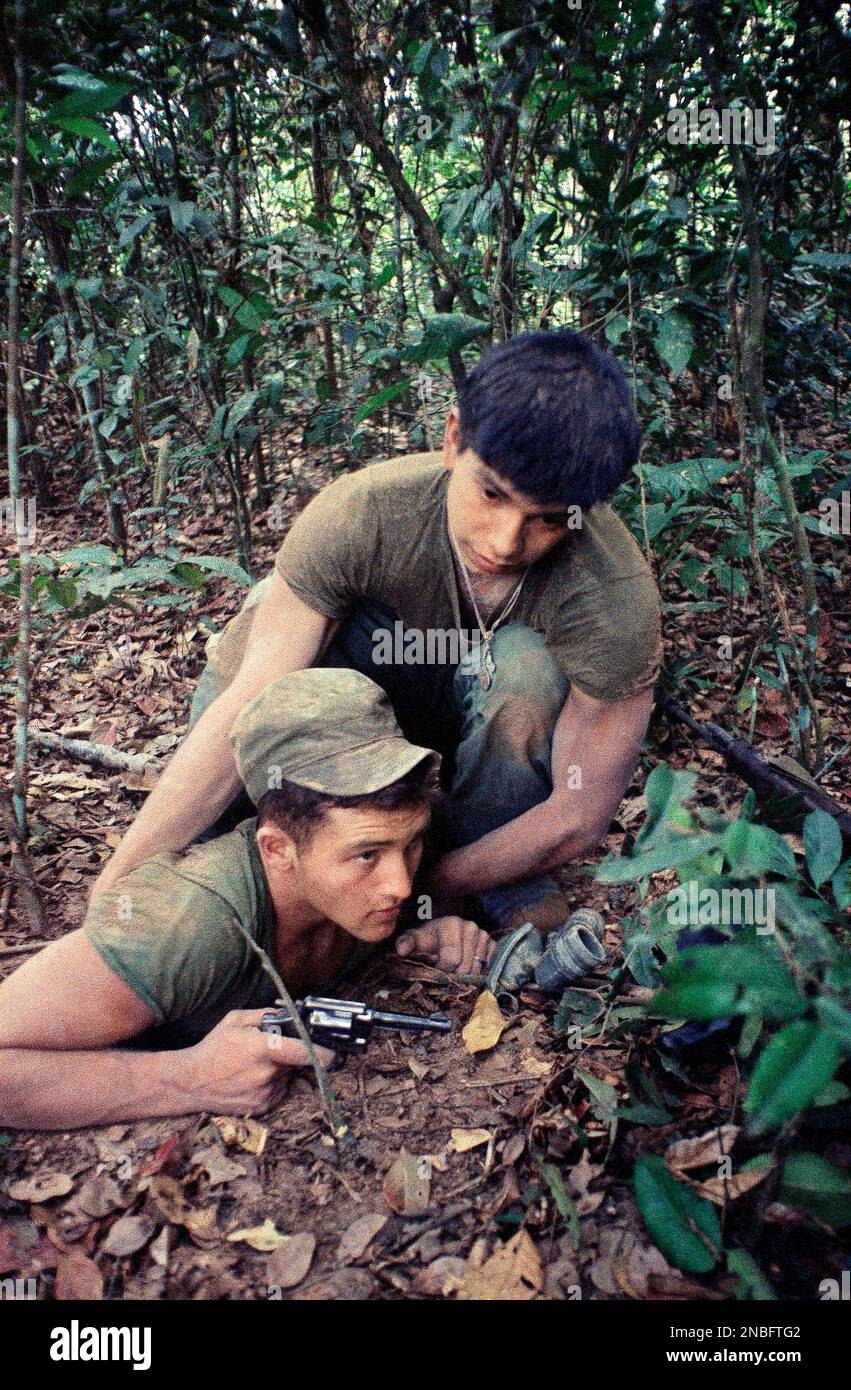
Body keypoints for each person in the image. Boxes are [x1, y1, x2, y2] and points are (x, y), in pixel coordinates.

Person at [91, 328, 662, 936]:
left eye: (548, 520)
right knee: (266, 615)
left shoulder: (612, 595)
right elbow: (246, 706)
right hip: (371, 704)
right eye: (491, 494)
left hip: (491, 737)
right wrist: (122, 883)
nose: (505, 541)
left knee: (527, 667)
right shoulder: (366, 514)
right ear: (452, 439)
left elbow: (579, 812)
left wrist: (433, 883)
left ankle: (495, 870)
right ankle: (239, 838)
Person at [0, 670, 494, 1131]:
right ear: (278, 850)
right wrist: (186, 1078)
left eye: (410, 846)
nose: (402, 886)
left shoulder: (387, 846)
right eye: (366, 856)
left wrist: (433, 924)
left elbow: (420, 887)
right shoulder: (186, 923)